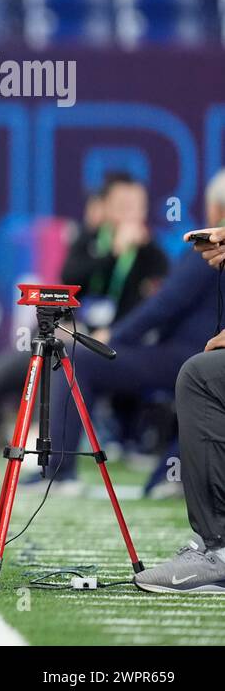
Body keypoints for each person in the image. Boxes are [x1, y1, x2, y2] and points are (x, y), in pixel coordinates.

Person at [43, 173, 225, 482]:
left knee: (78, 360)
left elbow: (162, 305)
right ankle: (165, 471)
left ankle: (60, 472)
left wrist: (112, 337)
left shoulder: (204, 247)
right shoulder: (89, 241)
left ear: (214, 210)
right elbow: (68, 283)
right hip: (183, 352)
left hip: (188, 356)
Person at [0, 173, 168, 440]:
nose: (130, 213)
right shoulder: (89, 241)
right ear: (105, 207)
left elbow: (148, 314)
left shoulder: (153, 256)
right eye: (123, 205)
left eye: (136, 206)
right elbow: (70, 280)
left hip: (114, 348)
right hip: (70, 334)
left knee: (57, 357)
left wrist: (108, 333)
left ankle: (42, 438)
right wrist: (112, 254)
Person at [131, 207, 225, 592]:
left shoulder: (150, 249)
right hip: (163, 347)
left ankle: (219, 551)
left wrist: (106, 338)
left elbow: (160, 308)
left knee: (200, 377)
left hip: (167, 351)